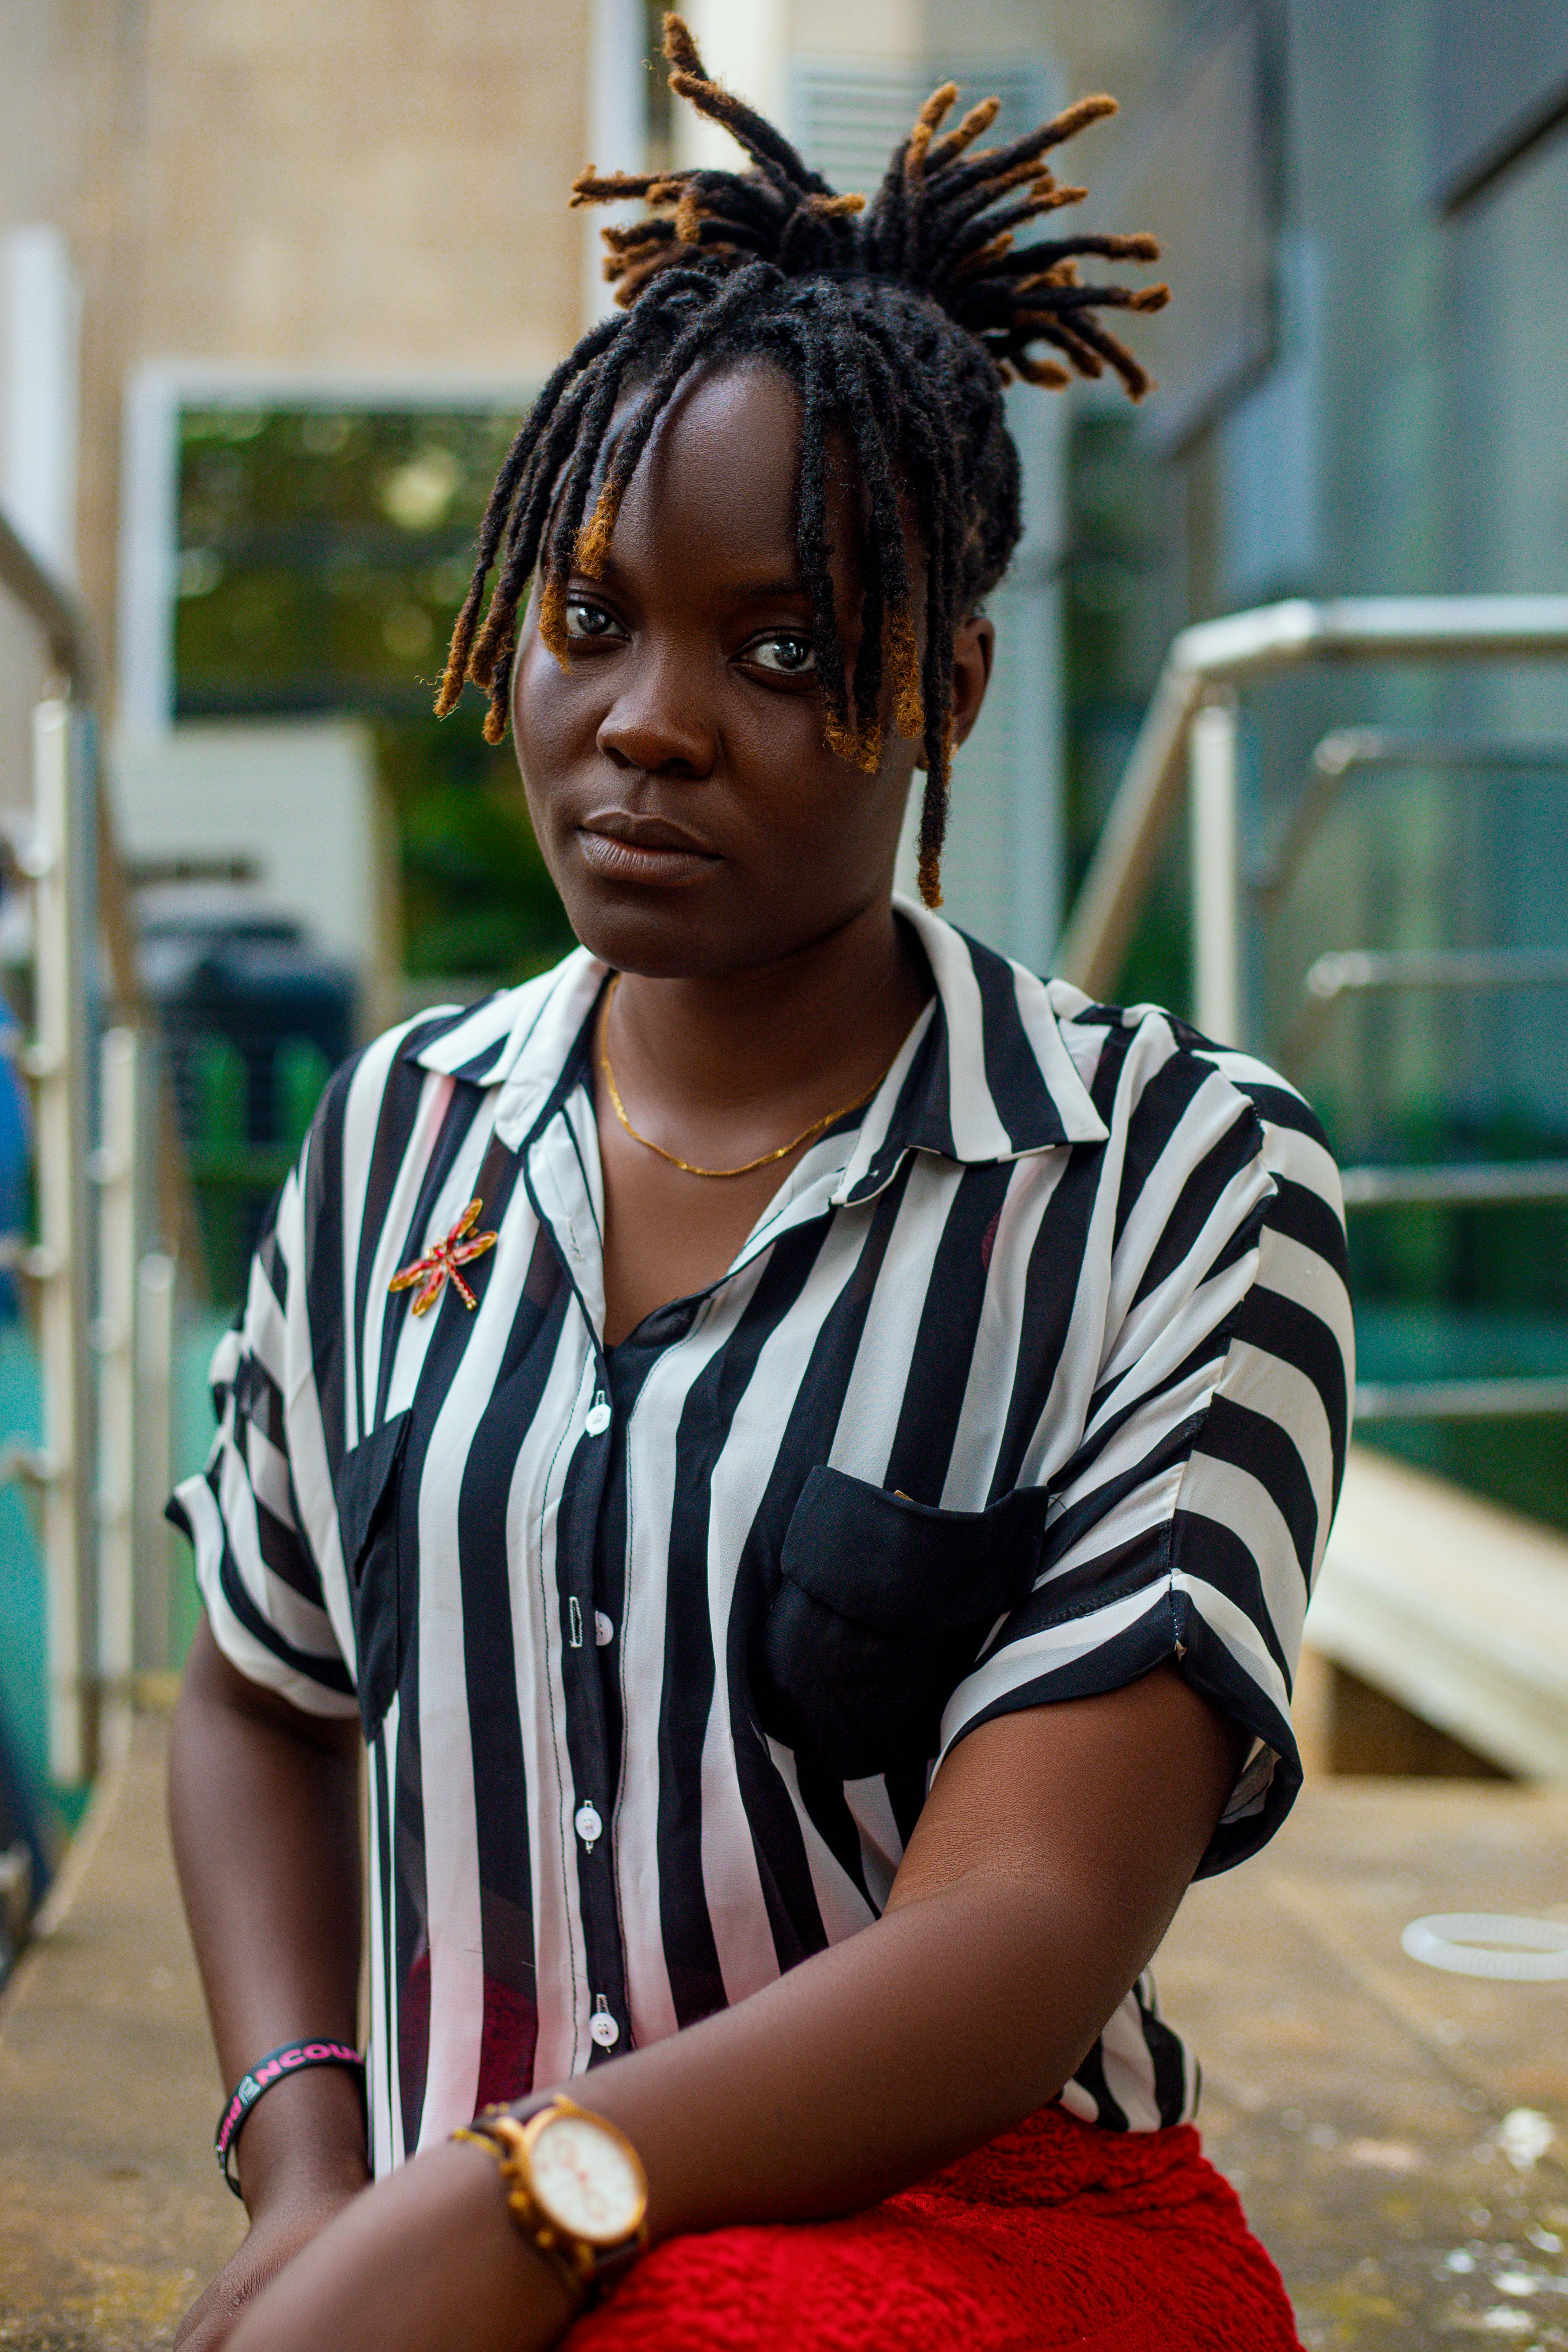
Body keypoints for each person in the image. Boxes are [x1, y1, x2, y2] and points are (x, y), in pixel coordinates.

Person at [167, 22, 1352, 2350]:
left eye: (783, 648)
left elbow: (1021, 1938)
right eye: (590, 618)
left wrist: (518, 2200)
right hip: (452, 2242)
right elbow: (259, 1686)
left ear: (949, 687)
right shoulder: (399, 1132)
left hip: (971, 2238)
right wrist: (314, 2168)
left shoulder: (1178, 1185)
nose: (648, 720)